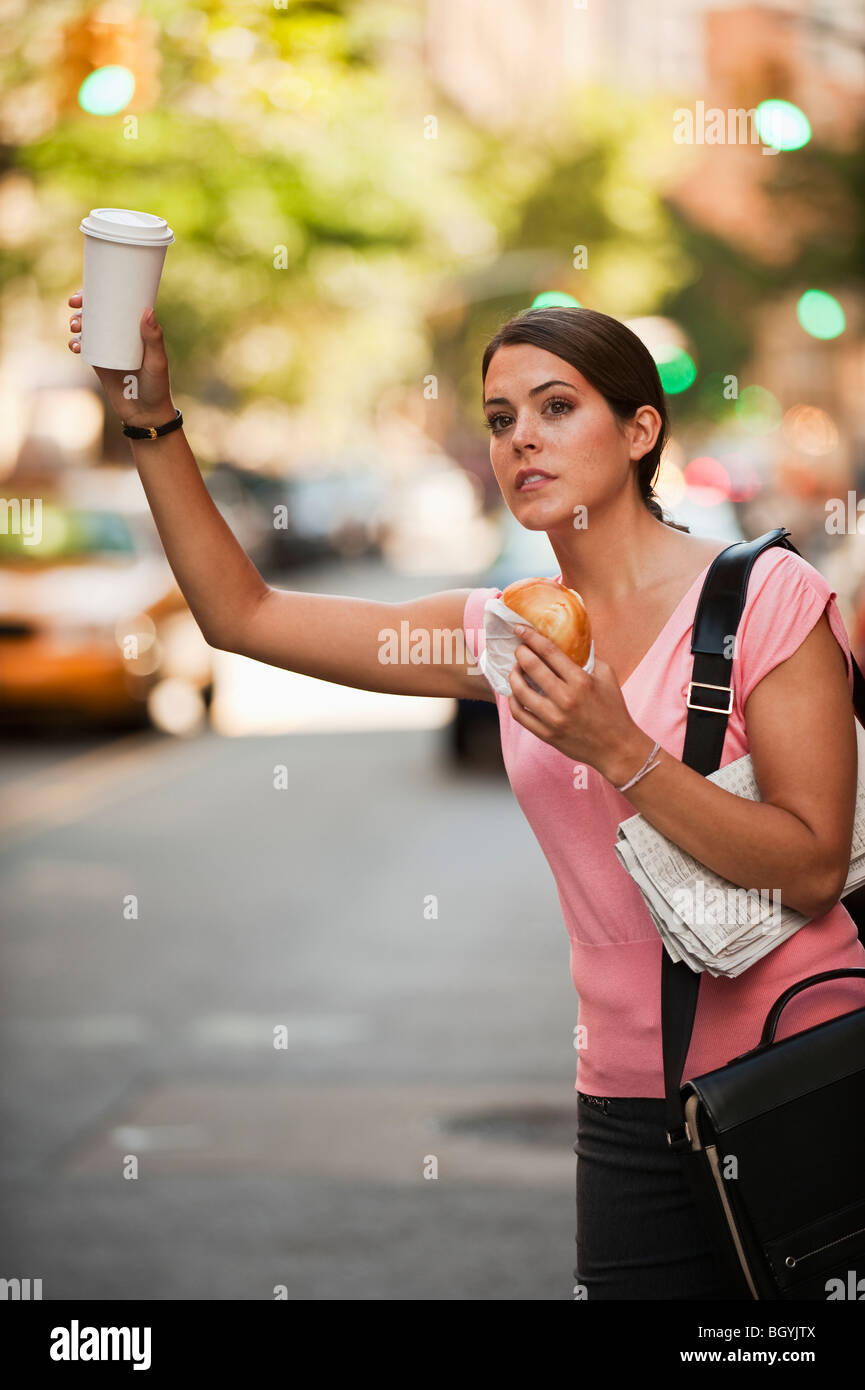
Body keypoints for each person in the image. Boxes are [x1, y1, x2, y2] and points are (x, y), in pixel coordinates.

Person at [68, 297, 864, 1300]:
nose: (520, 436)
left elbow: (809, 865)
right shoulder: (503, 633)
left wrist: (620, 750)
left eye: (555, 406)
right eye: (498, 418)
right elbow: (243, 612)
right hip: (626, 1104)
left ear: (638, 430)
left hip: (804, 1077)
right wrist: (150, 415)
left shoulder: (766, 599)